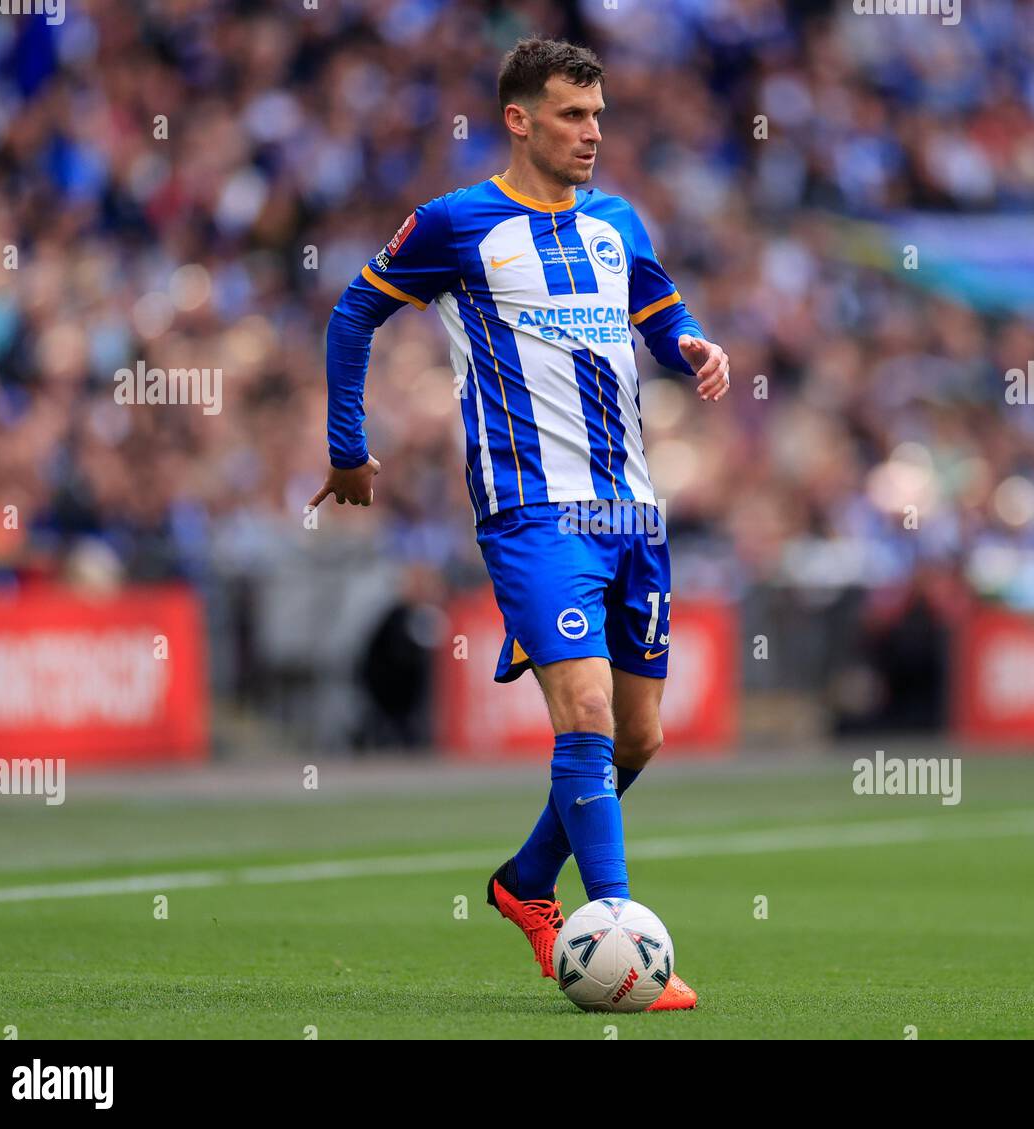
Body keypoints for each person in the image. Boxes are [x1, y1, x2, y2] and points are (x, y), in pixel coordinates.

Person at [310, 36, 730, 1010]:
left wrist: (692, 345)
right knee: (581, 715)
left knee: (639, 739)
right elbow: (351, 314)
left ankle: (525, 884)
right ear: (519, 119)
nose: (592, 133)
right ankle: (621, 942)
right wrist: (345, 447)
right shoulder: (460, 225)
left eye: (598, 115)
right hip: (533, 512)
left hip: (633, 511)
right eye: (572, 116)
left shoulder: (615, 221)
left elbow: (658, 317)